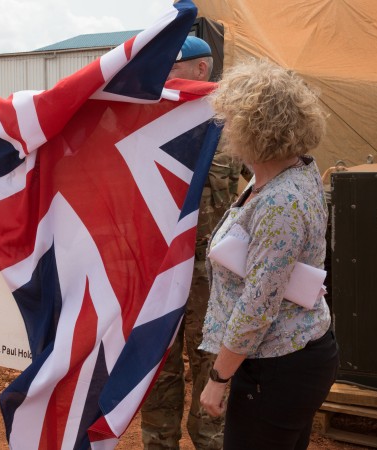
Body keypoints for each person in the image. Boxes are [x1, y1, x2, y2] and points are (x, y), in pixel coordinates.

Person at [199, 59, 339, 449]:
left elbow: (258, 306)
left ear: (252, 130)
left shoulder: (280, 202)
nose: (224, 128)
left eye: (231, 120)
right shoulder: (292, 170)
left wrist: (219, 378)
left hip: (277, 364)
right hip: (292, 353)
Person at [141, 36, 240, 450]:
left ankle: (210, 441)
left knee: (209, 361)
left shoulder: (233, 124)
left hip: (211, 272)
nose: (164, 76)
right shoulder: (151, 122)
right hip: (160, 266)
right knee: (158, 360)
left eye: (173, 67)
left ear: (201, 69)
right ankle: (159, 442)